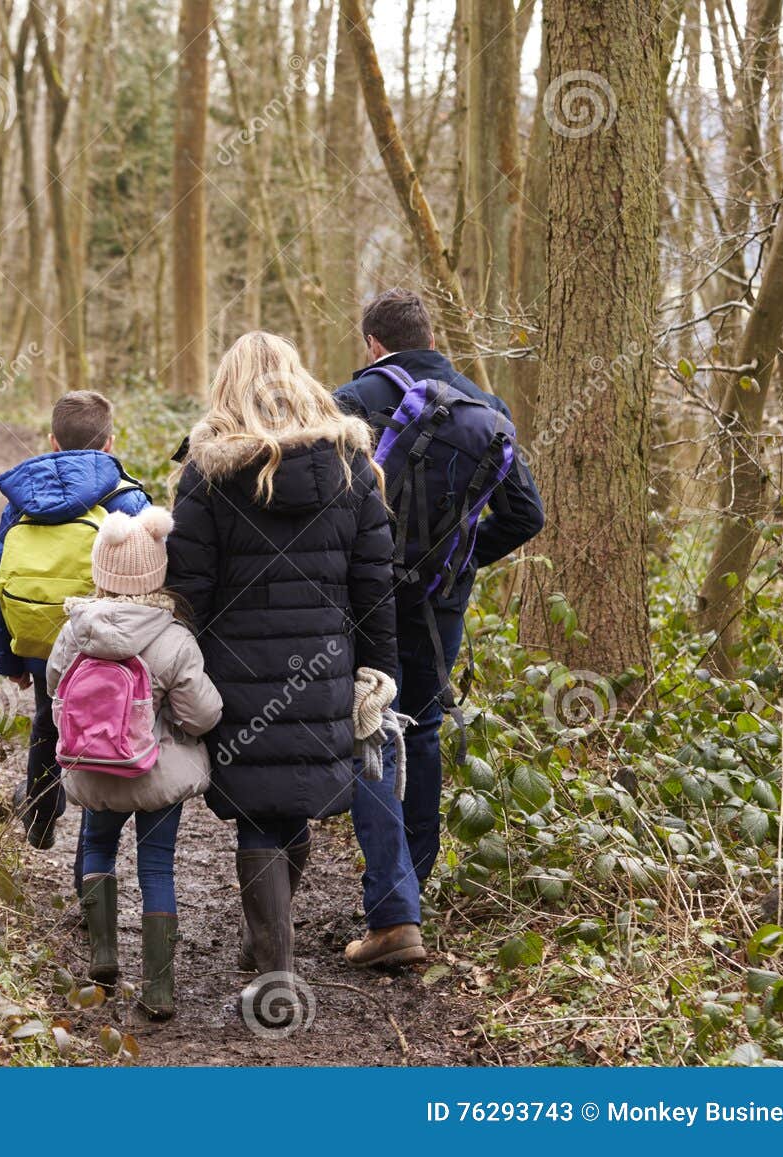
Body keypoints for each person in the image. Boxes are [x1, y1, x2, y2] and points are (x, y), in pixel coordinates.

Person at [165, 331, 406, 1017]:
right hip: (322, 666)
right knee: (292, 800)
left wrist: (177, 667)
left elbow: (189, 584)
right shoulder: (353, 464)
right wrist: (378, 670)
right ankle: (268, 936)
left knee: (257, 813)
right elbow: (375, 583)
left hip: (236, 669)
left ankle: (274, 962)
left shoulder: (208, 471)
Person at [333, 288, 545, 964]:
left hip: (362, 603)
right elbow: (526, 515)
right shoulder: (486, 409)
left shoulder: (351, 400)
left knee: (369, 729)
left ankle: (392, 906)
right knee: (420, 731)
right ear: (429, 335)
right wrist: (458, 560)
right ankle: (410, 891)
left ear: (373, 343)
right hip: (438, 607)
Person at [47, 505, 223, 1019]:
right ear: (159, 572)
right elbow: (203, 714)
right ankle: (160, 989)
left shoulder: (75, 631)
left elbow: (58, 689)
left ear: (99, 572)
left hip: (94, 767)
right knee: (156, 865)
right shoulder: (174, 639)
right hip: (154, 774)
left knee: (98, 848)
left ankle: (103, 956)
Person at [0, 390, 149, 852]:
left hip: (41, 640)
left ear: (53, 441)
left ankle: (39, 814)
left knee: (46, 720)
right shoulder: (127, 499)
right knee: (103, 731)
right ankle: (91, 854)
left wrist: (9, 658)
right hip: (106, 645)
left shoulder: (24, 497)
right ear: (110, 443)